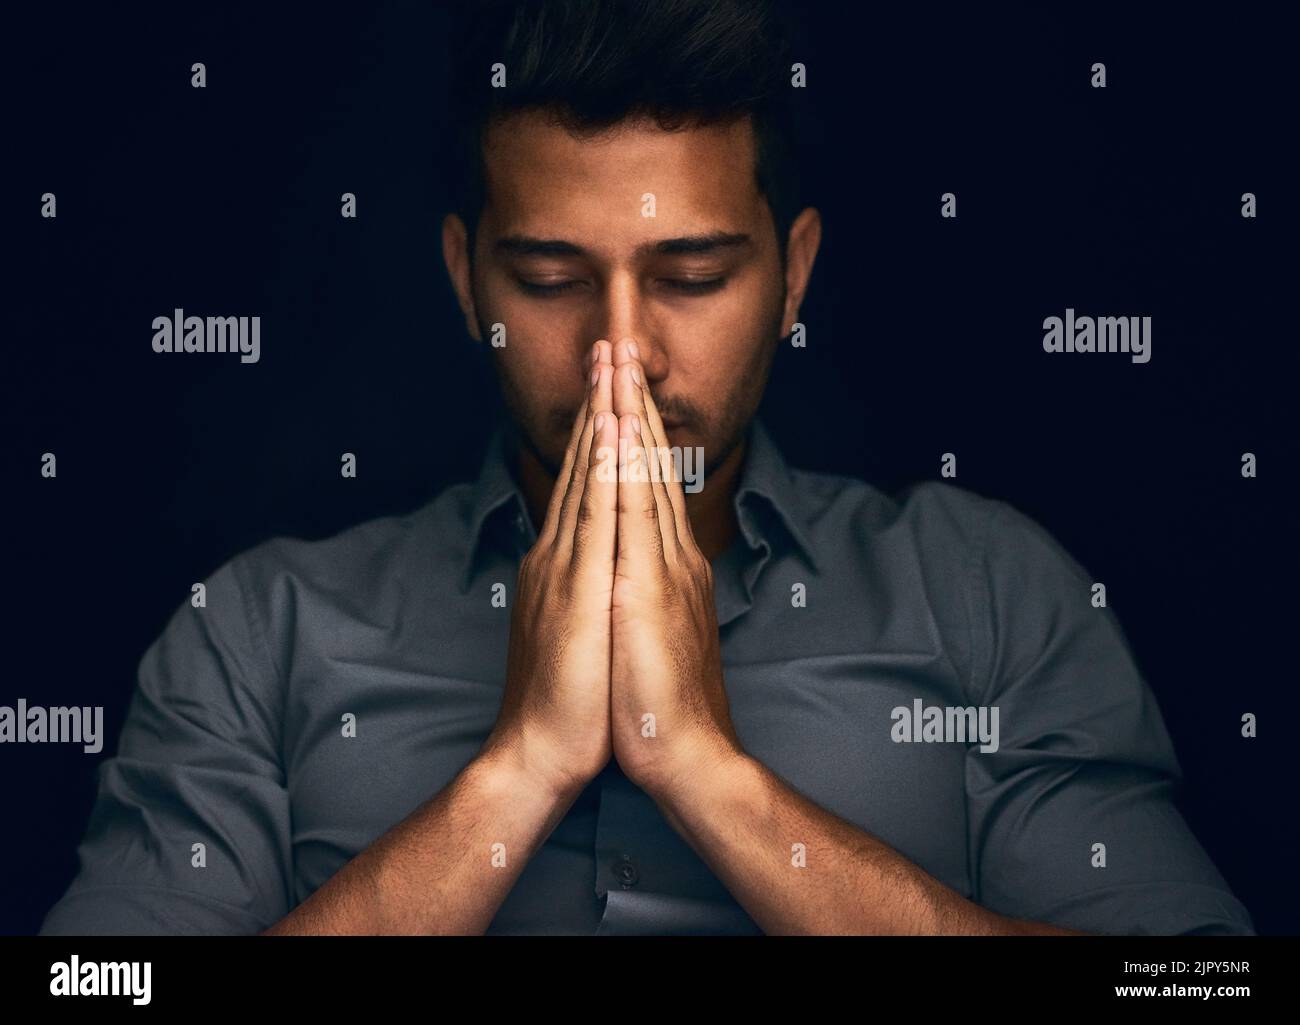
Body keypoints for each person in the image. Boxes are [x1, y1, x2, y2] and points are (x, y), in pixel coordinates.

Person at [40, 0, 1254, 936]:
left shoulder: (988, 591)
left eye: (691, 277)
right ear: (467, 281)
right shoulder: (260, 631)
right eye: (554, 281)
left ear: (796, 276)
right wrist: (515, 774)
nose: (622, 352)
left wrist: (710, 777)